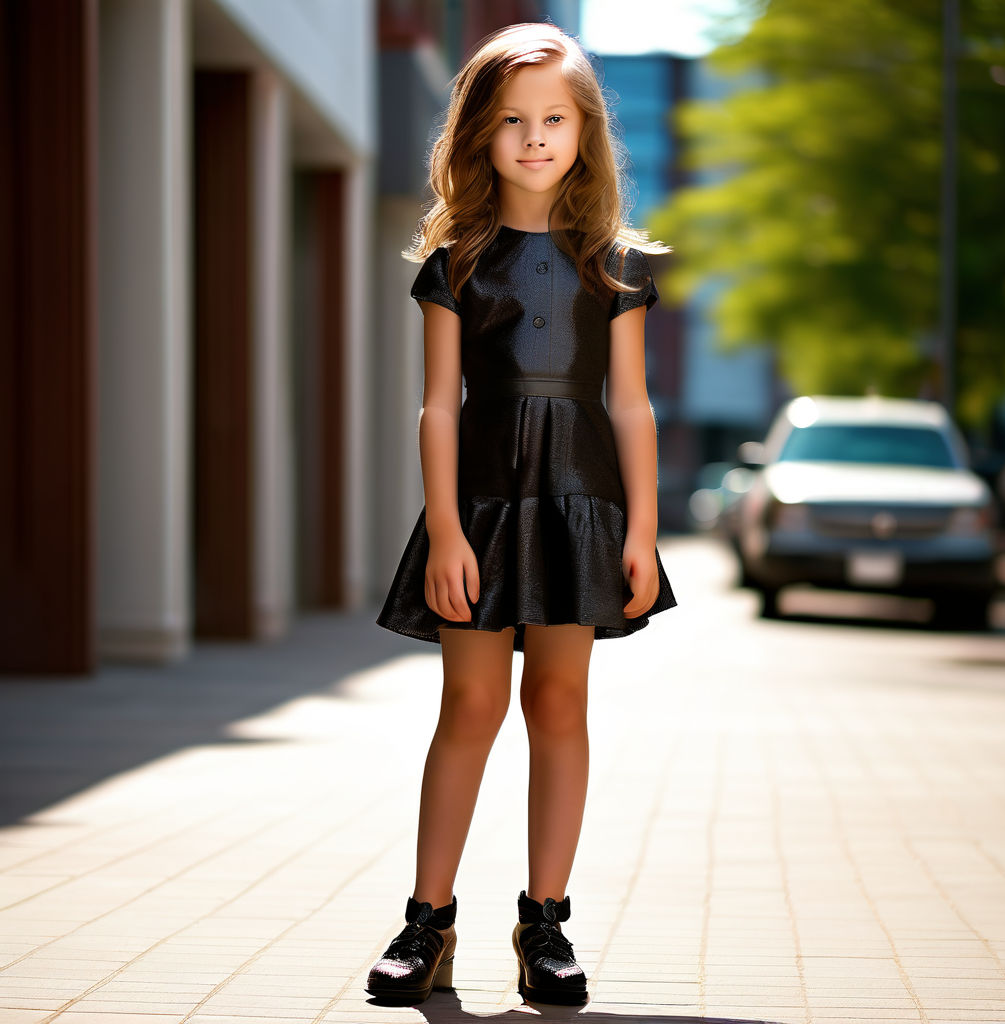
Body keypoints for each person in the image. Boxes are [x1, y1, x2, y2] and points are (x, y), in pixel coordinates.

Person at [367, 20, 678, 1008]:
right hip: (482, 505)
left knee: (558, 702)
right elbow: (438, 404)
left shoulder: (616, 265)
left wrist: (641, 530)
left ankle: (545, 924)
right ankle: (427, 922)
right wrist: (444, 529)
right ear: (479, 132)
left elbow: (630, 404)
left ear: (584, 131)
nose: (534, 137)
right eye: (511, 119)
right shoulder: (458, 261)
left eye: (553, 119)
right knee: (469, 705)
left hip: (580, 504)